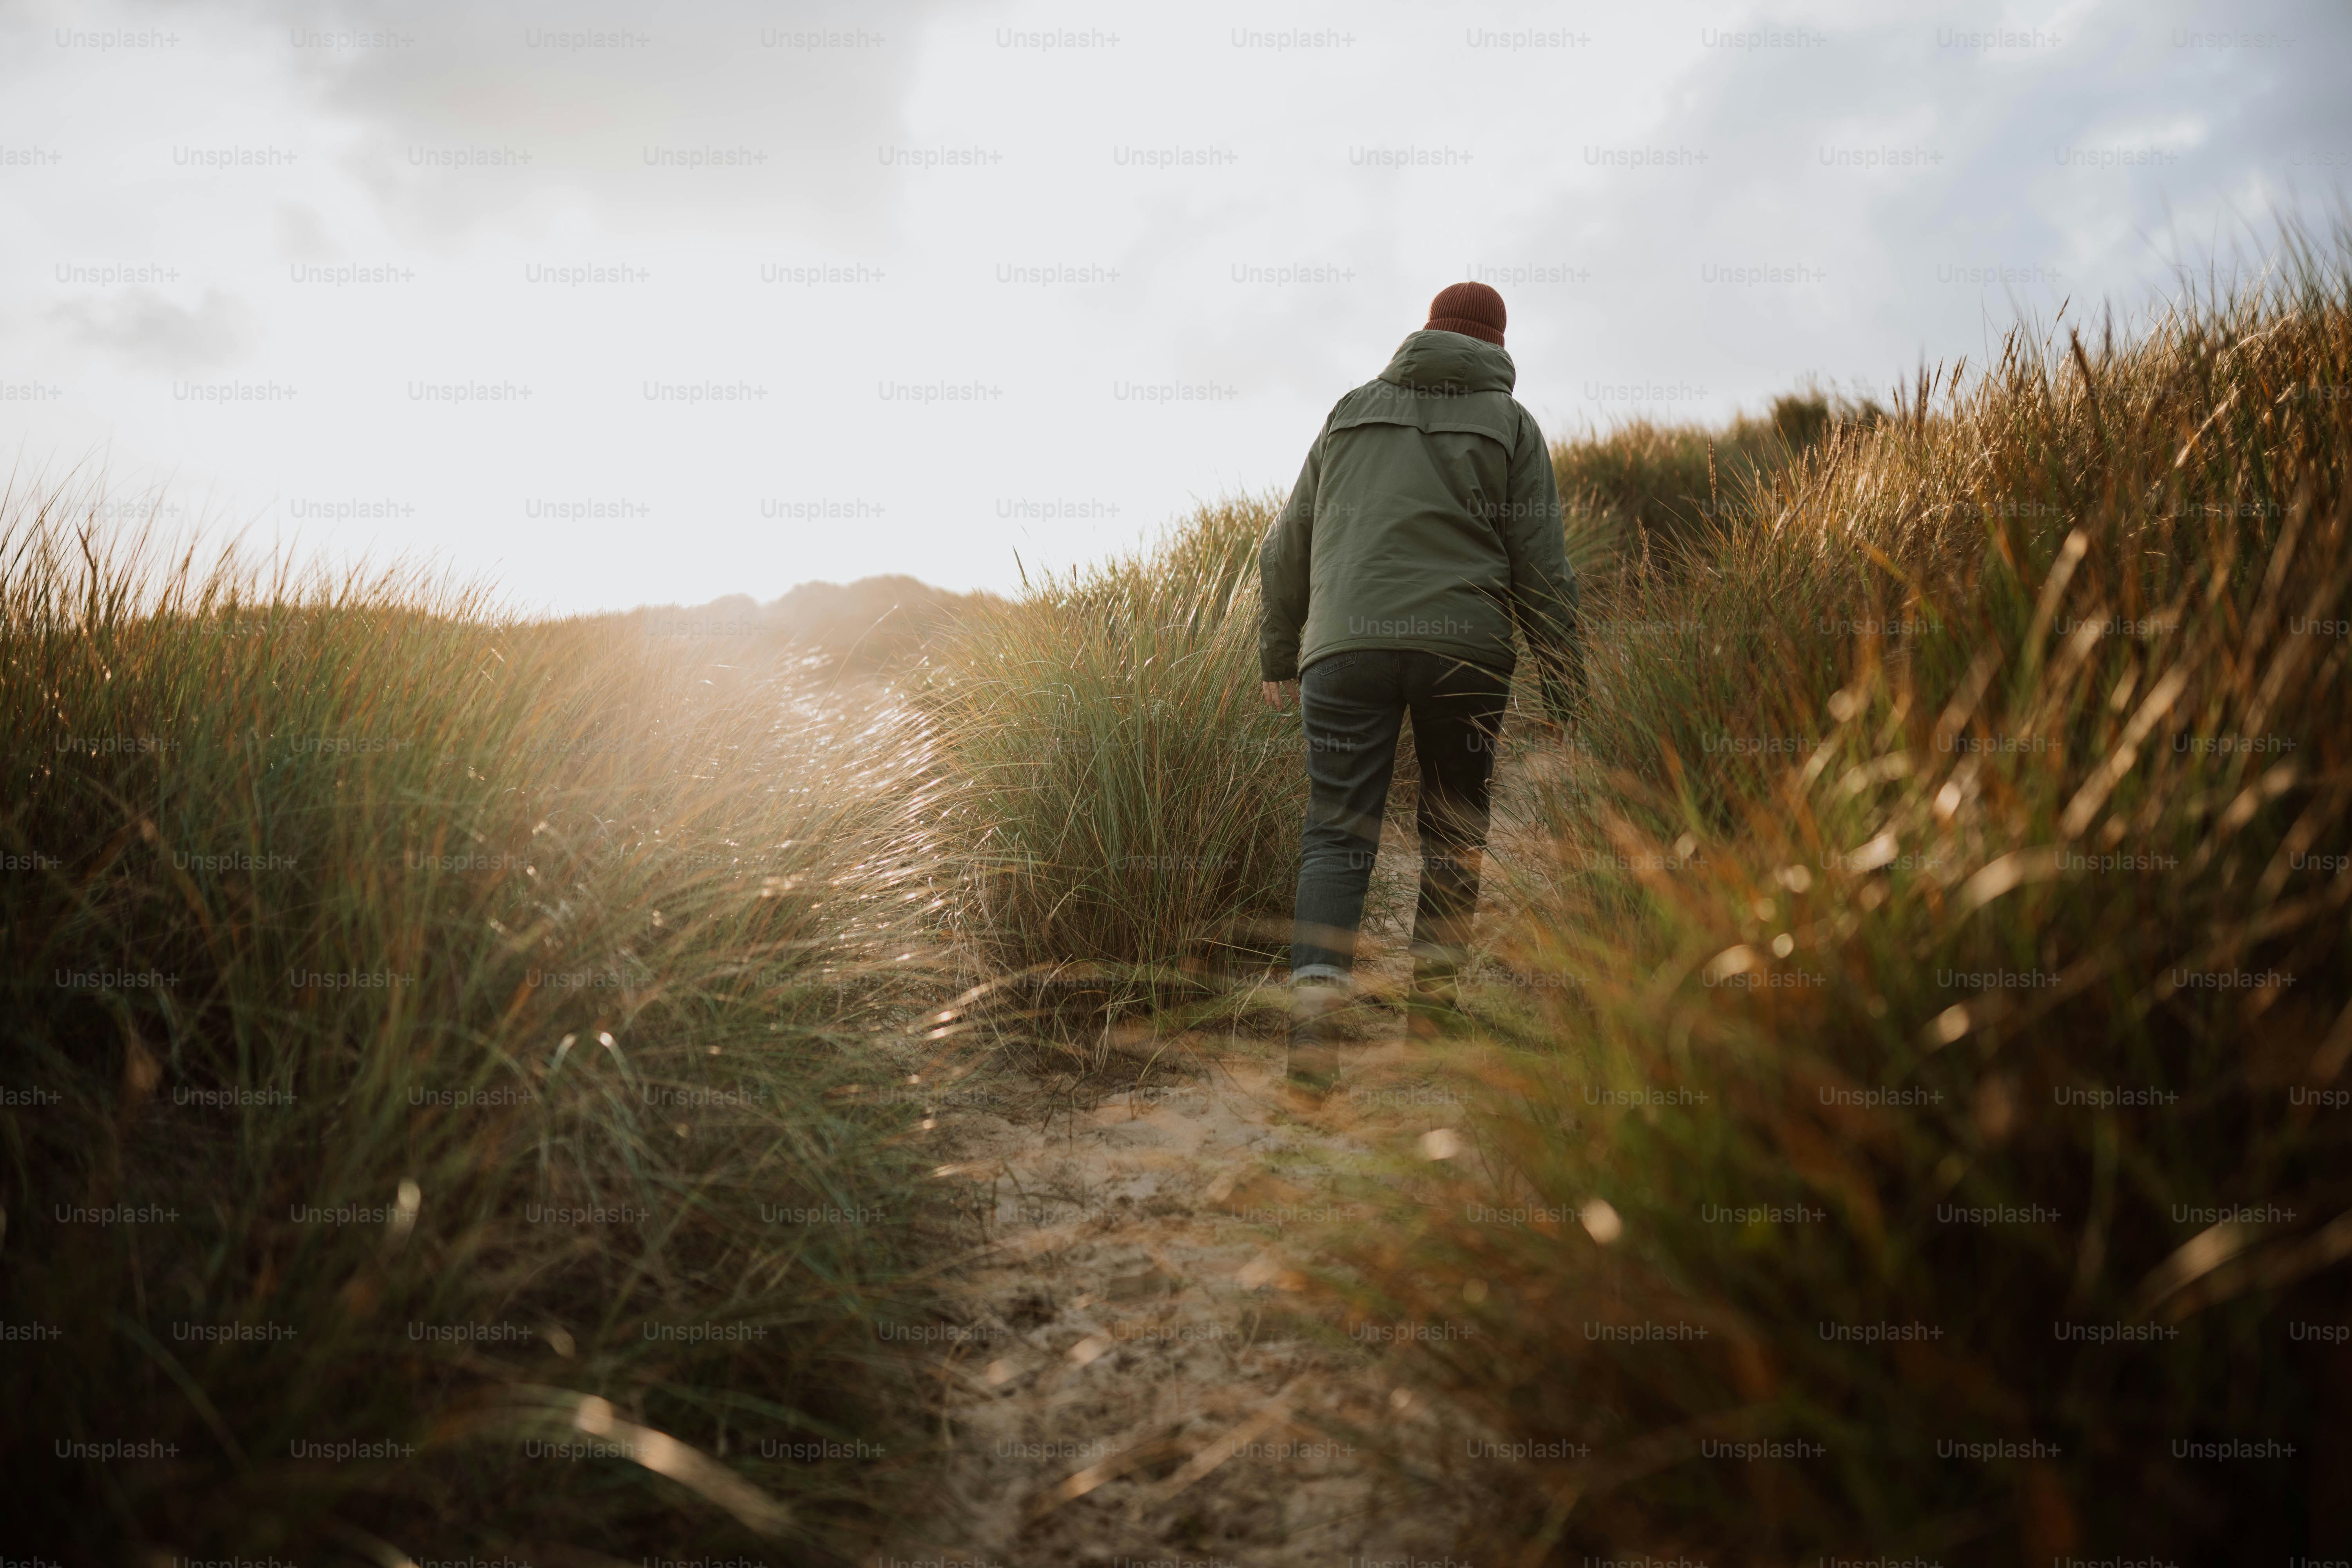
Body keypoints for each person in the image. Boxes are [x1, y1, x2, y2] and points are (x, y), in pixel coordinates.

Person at [1257, 281, 1582, 1095]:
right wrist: (1568, 689)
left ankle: (1313, 1044)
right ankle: (1432, 1029)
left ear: (1425, 332)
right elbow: (1544, 568)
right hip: (1463, 658)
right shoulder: (1511, 424)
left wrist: (1278, 655)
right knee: (1452, 834)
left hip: (1343, 652)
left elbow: (1284, 543)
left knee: (1337, 837)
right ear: (1499, 347)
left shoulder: (1350, 411)